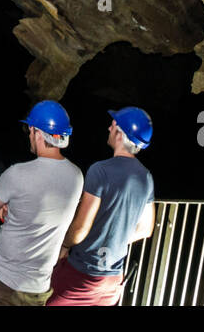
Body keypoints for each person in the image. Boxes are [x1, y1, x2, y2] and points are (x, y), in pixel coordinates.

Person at [0, 100, 83, 306]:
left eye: (30, 130)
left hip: (1, 280)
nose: (29, 135)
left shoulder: (18, 173)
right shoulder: (77, 177)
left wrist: (4, 211)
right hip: (38, 288)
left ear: (38, 133)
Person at [48, 106, 156, 306]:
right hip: (111, 282)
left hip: (80, 275)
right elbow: (146, 229)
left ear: (120, 133)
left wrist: (63, 246)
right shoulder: (146, 178)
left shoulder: (100, 171)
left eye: (113, 125)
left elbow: (81, 228)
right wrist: (114, 239)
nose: (108, 128)